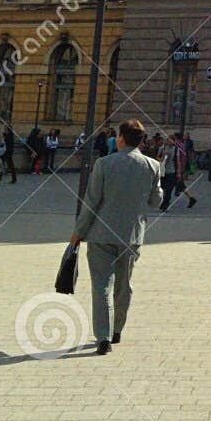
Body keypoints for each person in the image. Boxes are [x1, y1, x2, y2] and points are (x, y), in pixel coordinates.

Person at [70, 118, 163, 355]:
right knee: (124, 285)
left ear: (120, 137)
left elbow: (91, 202)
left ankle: (103, 337)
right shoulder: (153, 166)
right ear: (141, 140)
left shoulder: (103, 164)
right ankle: (117, 330)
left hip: (101, 234)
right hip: (131, 235)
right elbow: (156, 201)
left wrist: (78, 233)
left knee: (101, 286)